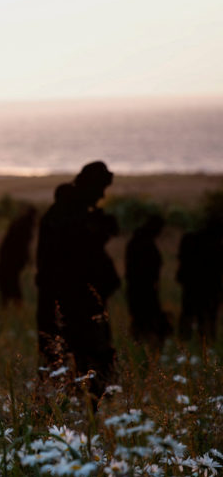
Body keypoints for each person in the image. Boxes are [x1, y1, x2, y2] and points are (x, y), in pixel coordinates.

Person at [35, 162, 120, 407]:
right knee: (76, 363)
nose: (103, 195)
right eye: (101, 188)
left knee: (73, 364)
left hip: (74, 303)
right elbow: (74, 261)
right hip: (73, 304)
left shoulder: (71, 213)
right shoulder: (69, 216)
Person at [125, 213, 172, 348]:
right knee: (145, 321)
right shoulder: (142, 243)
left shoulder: (139, 241)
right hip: (142, 290)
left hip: (142, 290)